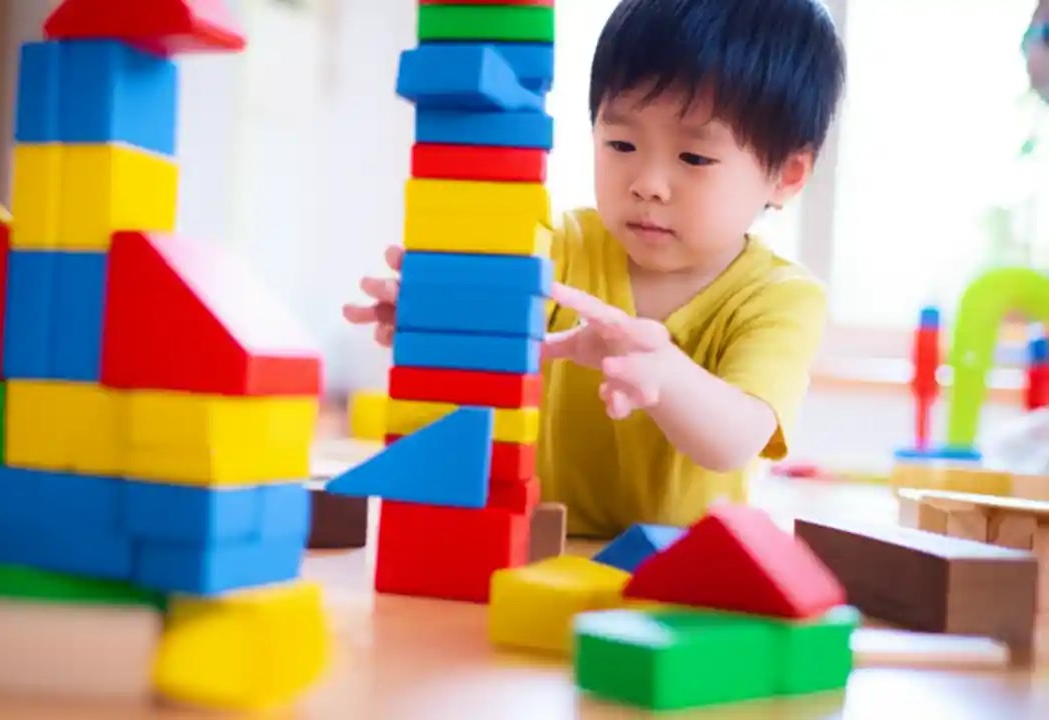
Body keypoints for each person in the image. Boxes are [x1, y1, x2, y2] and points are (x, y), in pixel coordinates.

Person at [343, 0, 846, 538]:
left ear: (787, 175)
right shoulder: (560, 247)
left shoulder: (780, 297)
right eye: (621, 144)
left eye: (694, 158)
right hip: (542, 550)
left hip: (677, 581)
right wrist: (437, 319)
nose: (648, 182)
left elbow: (736, 440)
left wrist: (666, 375)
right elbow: (486, 337)